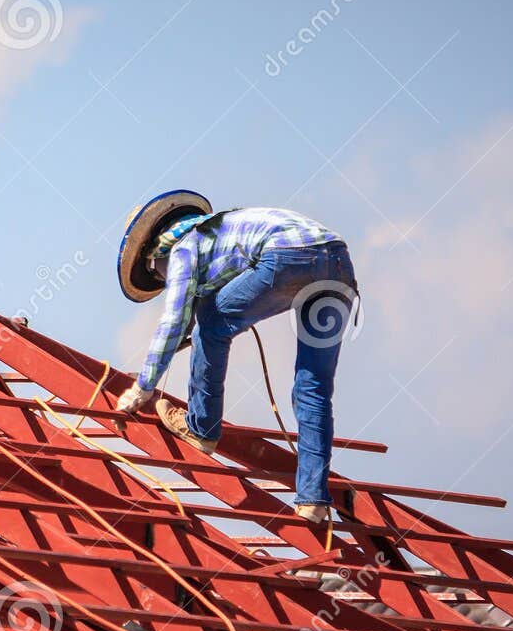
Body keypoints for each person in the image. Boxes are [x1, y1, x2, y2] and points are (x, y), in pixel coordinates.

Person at [114, 191, 357, 523]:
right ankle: (313, 501)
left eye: (158, 276)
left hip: (288, 256)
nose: (165, 281)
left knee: (211, 321)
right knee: (313, 386)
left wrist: (142, 388)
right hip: (338, 262)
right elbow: (211, 302)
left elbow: (175, 320)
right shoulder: (218, 235)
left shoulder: (183, 248)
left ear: (156, 255)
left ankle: (201, 428)